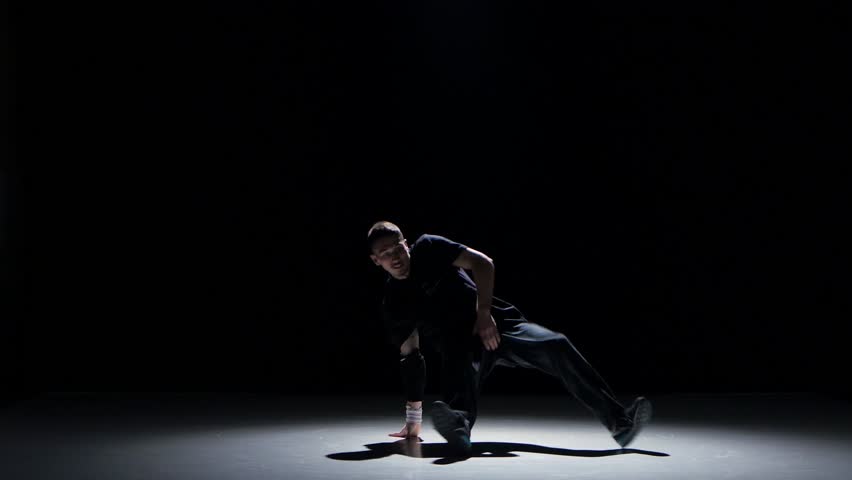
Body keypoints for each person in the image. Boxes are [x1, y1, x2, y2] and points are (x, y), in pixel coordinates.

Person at [368, 221, 652, 454]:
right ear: (375, 260)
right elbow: (411, 356)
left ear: (407, 244)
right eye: (385, 252)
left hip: (500, 326)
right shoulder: (393, 303)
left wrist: (483, 313)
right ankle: (459, 428)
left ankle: (621, 425)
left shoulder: (429, 247)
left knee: (556, 345)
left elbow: (483, 263)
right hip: (464, 347)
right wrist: (414, 420)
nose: (395, 256)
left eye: (398, 247)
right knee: (459, 372)